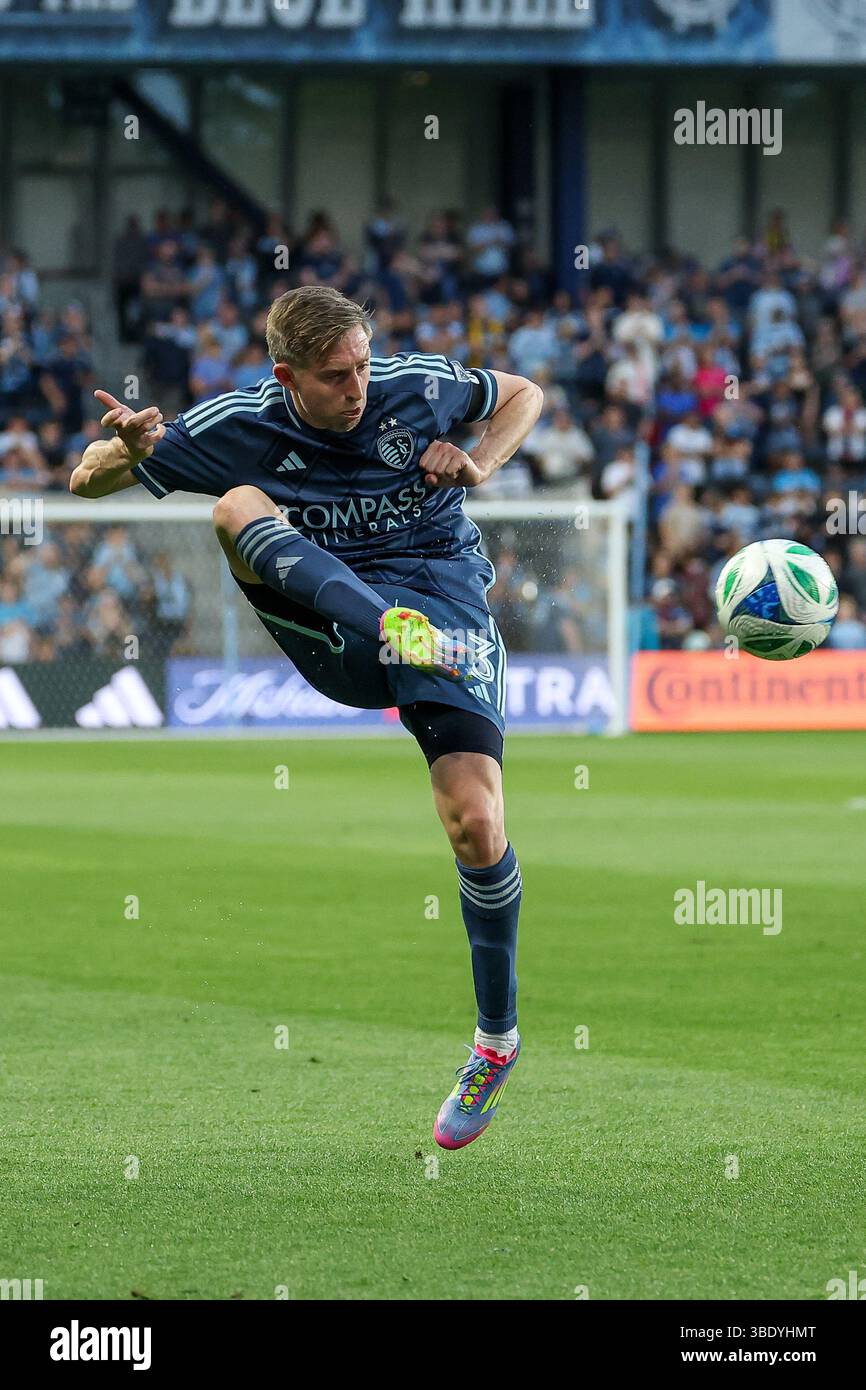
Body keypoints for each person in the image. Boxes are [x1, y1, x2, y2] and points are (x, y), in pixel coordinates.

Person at [69, 283, 544, 1151]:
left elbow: (524, 394)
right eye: (336, 376)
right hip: (340, 628)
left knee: (476, 825)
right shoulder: (237, 425)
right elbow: (84, 481)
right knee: (234, 505)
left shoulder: (418, 386)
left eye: (363, 365)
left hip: (444, 604)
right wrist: (130, 451)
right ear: (287, 376)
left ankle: (496, 1043)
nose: (358, 386)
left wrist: (482, 460)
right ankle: (385, 624)